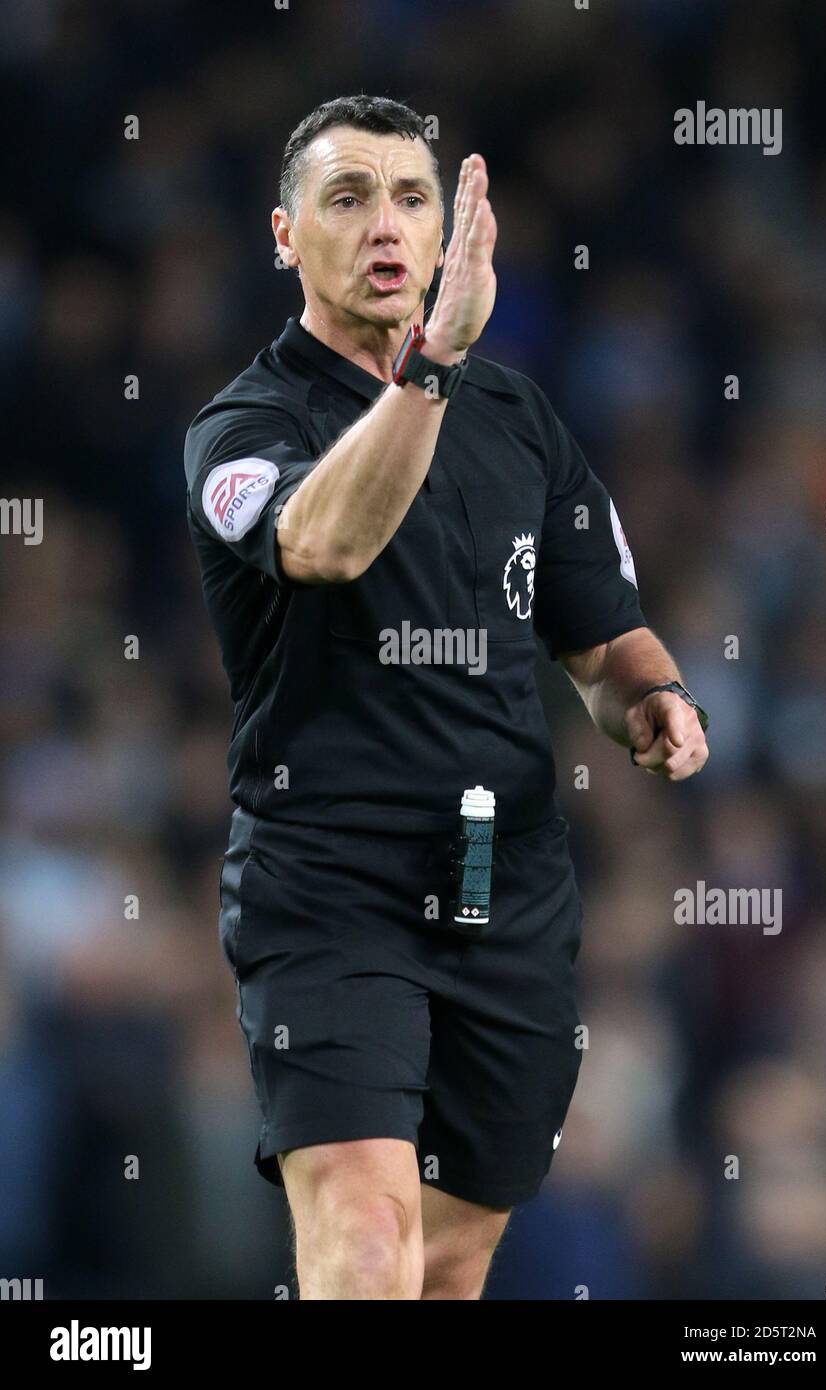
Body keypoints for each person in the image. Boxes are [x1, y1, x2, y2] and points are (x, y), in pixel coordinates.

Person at [184, 94, 709, 1300]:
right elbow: (321, 543)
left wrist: (651, 697)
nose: (383, 225)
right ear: (283, 234)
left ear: (444, 232)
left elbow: (598, 631)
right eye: (347, 196)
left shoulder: (518, 418)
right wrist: (427, 370)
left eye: (410, 197)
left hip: (503, 889)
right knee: (367, 1248)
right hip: (327, 889)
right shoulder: (242, 427)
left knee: (447, 1263)